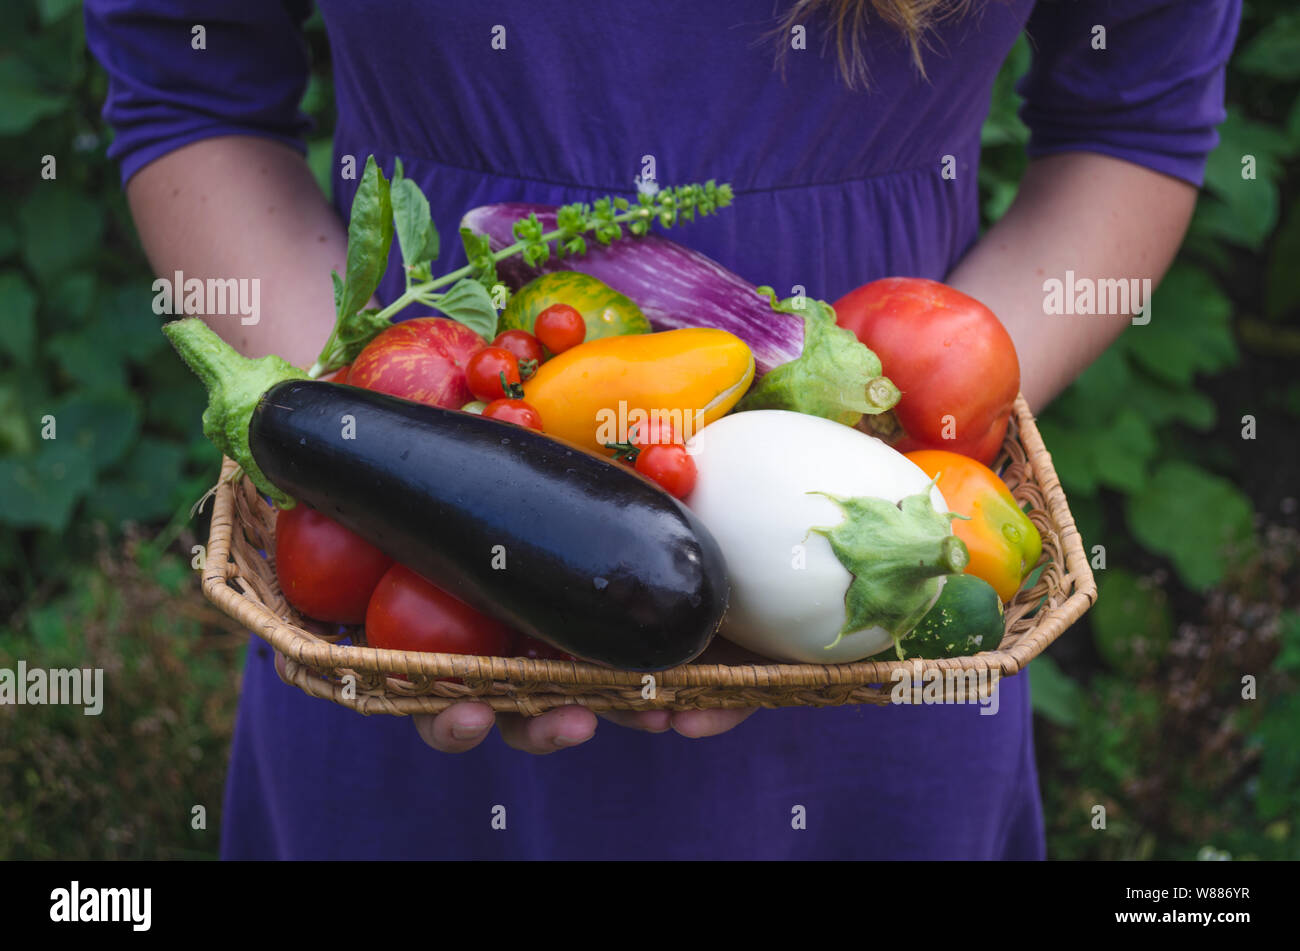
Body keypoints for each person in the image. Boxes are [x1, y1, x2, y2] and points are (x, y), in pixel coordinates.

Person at [86, 0, 1240, 859]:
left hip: (869, 642)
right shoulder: (403, 493)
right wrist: (384, 466)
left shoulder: (887, 552)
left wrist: (877, 497)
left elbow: (1129, 118)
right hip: (403, 627)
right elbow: (192, 80)